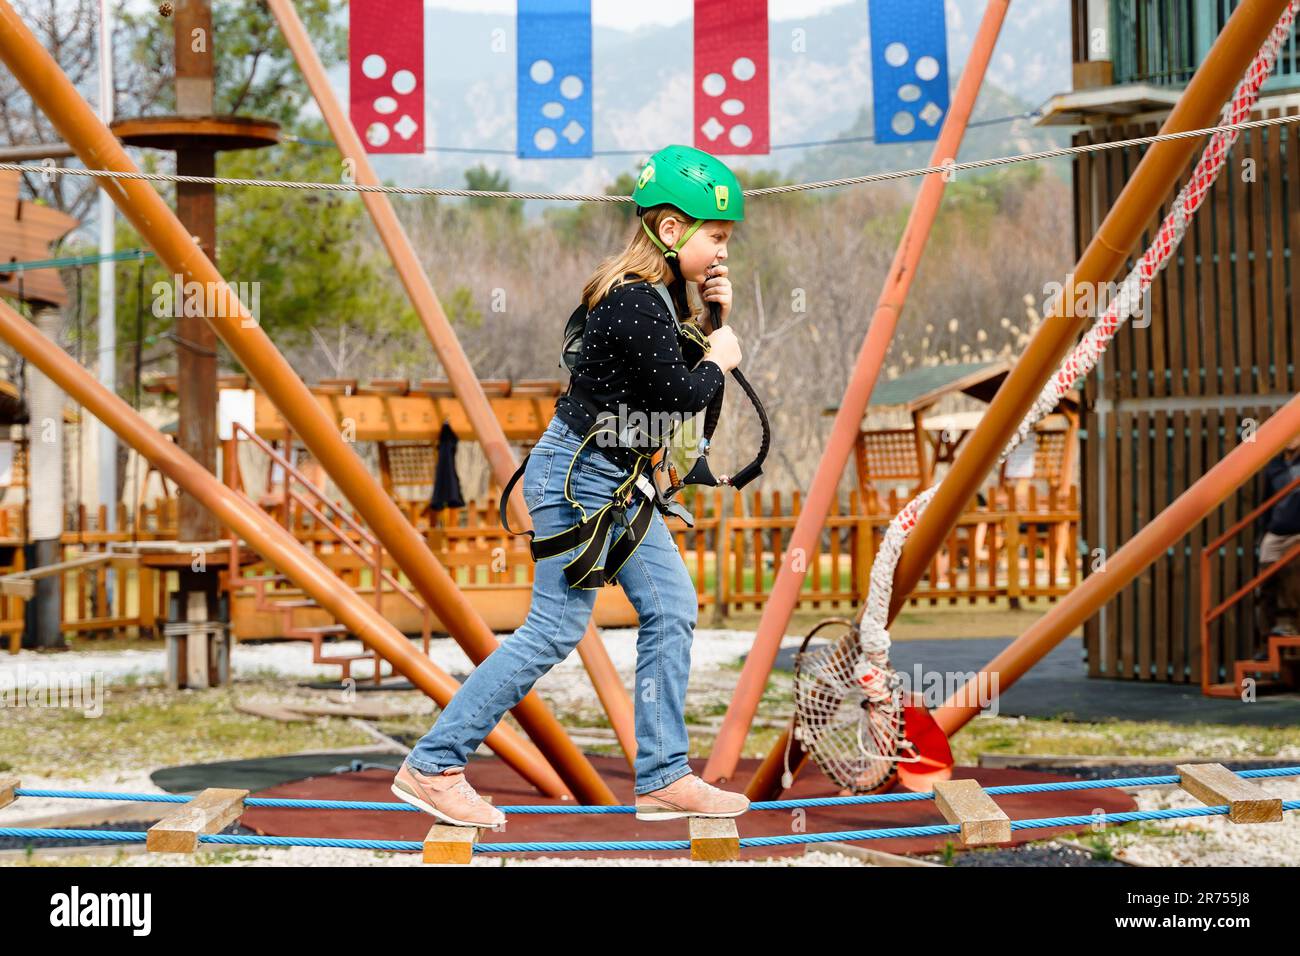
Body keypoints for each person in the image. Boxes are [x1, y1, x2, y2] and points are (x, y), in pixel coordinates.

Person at [390, 145, 751, 827]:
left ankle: (664, 776)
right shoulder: (634, 301)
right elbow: (680, 397)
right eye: (717, 237)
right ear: (670, 231)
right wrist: (722, 358)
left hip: (617, 479)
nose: (723, 251)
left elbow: (681, 412)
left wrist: (710, 324)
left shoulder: (660, 304)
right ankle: (434, 764)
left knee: (671, 608)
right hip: (579, 476)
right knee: (552, 629)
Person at [1254, 432, 1300, 659]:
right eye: (1288, 432)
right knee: (1265, 584)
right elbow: (1266, 501)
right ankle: (1266, 641)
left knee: (1291, 578)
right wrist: (1263, 534)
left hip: (1297, 531)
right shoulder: (1274, 466)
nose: (1292, 437)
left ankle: (1290, 627)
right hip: (1276, 531)